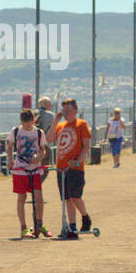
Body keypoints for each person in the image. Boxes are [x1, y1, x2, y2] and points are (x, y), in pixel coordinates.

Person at [53, 98, 92, 237]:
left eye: (68, 110)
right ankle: (72, 227)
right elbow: (50, 138)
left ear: (75, 110)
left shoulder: (82, 124)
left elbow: (86, 146)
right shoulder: (60, 126)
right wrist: (55, 120)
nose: (66, 113)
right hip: (61, 168)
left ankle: (85, 216)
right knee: (67, 199)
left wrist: (78, 161)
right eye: (64, 110)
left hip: (75, 168)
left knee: (75, 197)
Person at [6, 108, 47, 237]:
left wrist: (39, 158)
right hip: (20, 169)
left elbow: (43, 149)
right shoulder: (16, 131)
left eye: (28, 123)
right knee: (21, 197)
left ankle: (39, 224)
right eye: (24, 123)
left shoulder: (39, 133)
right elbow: (9, 147)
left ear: (33, 121)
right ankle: (23, 227)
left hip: (34, 169)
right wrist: (10, 160)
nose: (26, 125)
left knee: (38, 197)